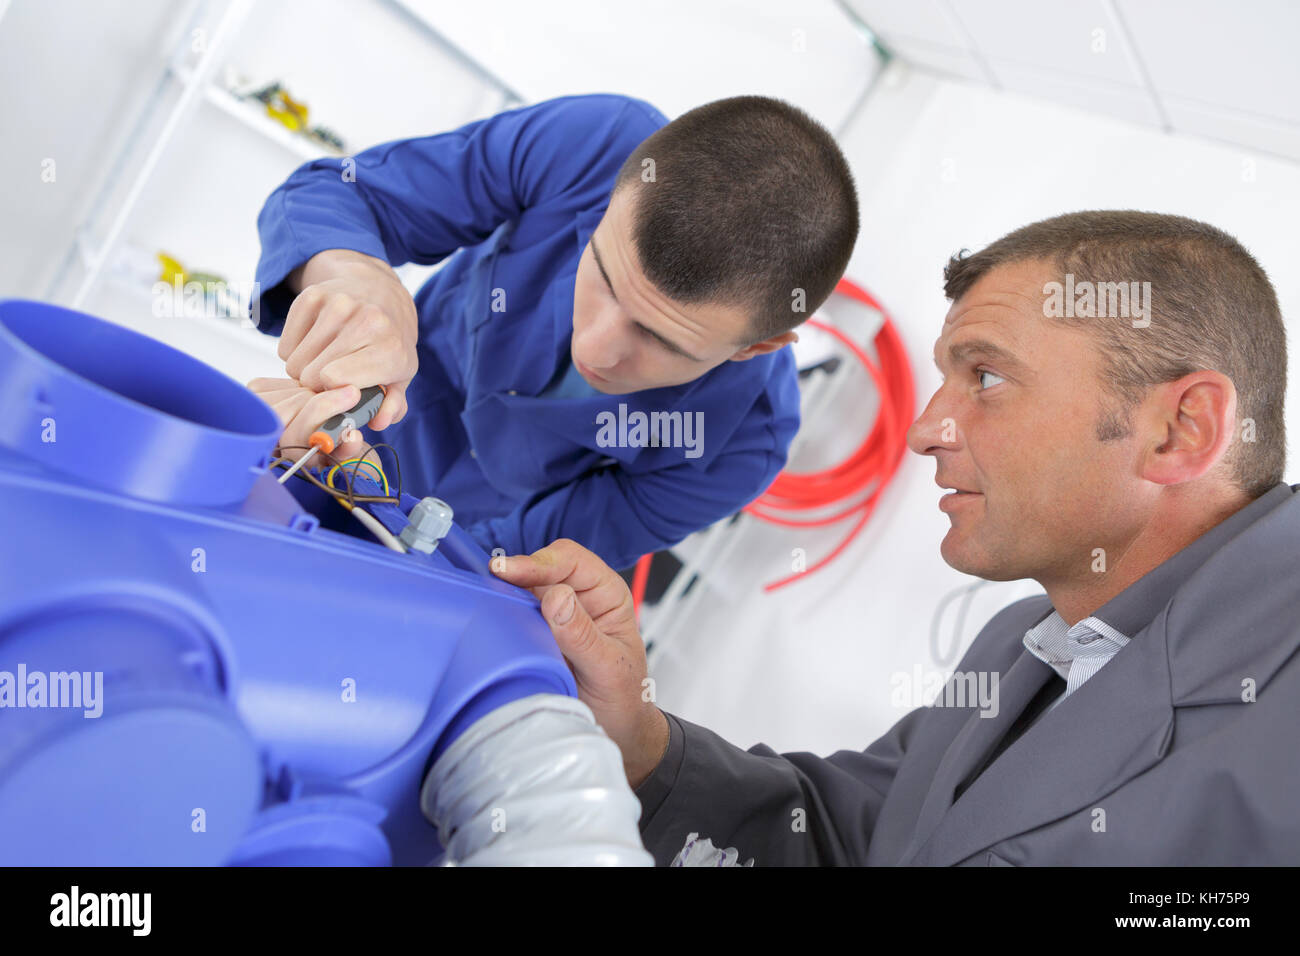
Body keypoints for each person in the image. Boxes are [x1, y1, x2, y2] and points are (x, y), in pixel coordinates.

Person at [493, 210, 1300, 865]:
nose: (924, 430)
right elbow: (850, 839)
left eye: (985, 377)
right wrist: (638, 741)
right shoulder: (1020, 648)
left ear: (1181, 430)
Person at [246, 93, 858, 571]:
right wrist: (360, 279)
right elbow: (332, 192)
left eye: (664, 341)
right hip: (324, 422)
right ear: (614, 197)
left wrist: (376, 538)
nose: (594, 346)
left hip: (447, 540)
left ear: (757, 348)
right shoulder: (593, 146)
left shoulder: (736, 449)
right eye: (604, 276)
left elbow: (509, 565)